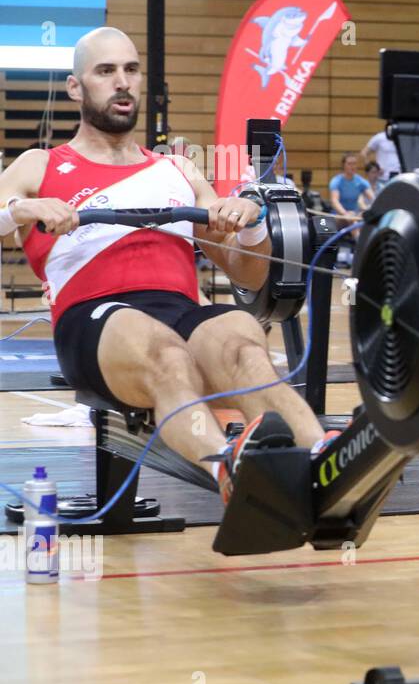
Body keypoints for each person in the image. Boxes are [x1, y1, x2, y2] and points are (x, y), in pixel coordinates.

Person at [0, 27, 335, 504]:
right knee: (168, 356)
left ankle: (324, 455)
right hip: (94, 321)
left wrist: (250, 227)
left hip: (179, 312)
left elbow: (248, 276)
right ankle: (232, 471)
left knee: (243, 336)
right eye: (106, 71)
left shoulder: (177, 169)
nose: (122, 82)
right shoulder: (40, 165)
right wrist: (21, 211)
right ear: (75, 87)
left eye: (131, 70)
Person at [328, 152, 373, 221]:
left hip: (354, 215)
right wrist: (345, 214)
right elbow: (335, 201)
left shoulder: (361, 181)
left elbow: (373, 198)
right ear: (343, 165)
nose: (352, 166)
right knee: (351, 220)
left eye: (354, 164)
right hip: (338, 215)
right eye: (349, 164)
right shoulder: (336, 181)